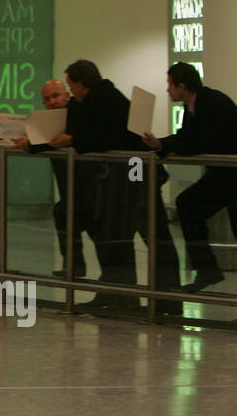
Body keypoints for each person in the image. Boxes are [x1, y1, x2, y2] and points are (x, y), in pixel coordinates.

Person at [141, 62, 237, 325]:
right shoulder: (193, 107)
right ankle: (208, 269)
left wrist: (171, 147)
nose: (167, 90)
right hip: (230, 175)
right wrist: (162, 145)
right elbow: (187, 137)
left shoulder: (211, 102)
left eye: (170, 84)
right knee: (188, 204)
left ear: (182, 85)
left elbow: (203, 141)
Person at [51, 60, 180, 314]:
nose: (70, 91)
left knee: (138, 232)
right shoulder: (97, 100)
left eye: (70, 85)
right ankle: (128, 295)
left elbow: (104, 136)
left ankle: (144, 297)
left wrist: (74, 139)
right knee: (127, 233)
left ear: (80, 83)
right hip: (132, 173)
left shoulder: (103, 100)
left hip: (134, 173)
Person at [14, 79, 101, 278]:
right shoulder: (50, 120)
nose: (52, 102)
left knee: (90, 225)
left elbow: (53, 140)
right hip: (73, 187)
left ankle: (92, 272)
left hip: (87, 185)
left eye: (55, 96)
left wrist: (33, 145)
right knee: (65, 215)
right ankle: (75, 267)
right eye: (47, 99)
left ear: (67, 95)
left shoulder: (76, 113)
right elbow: (50, 140)